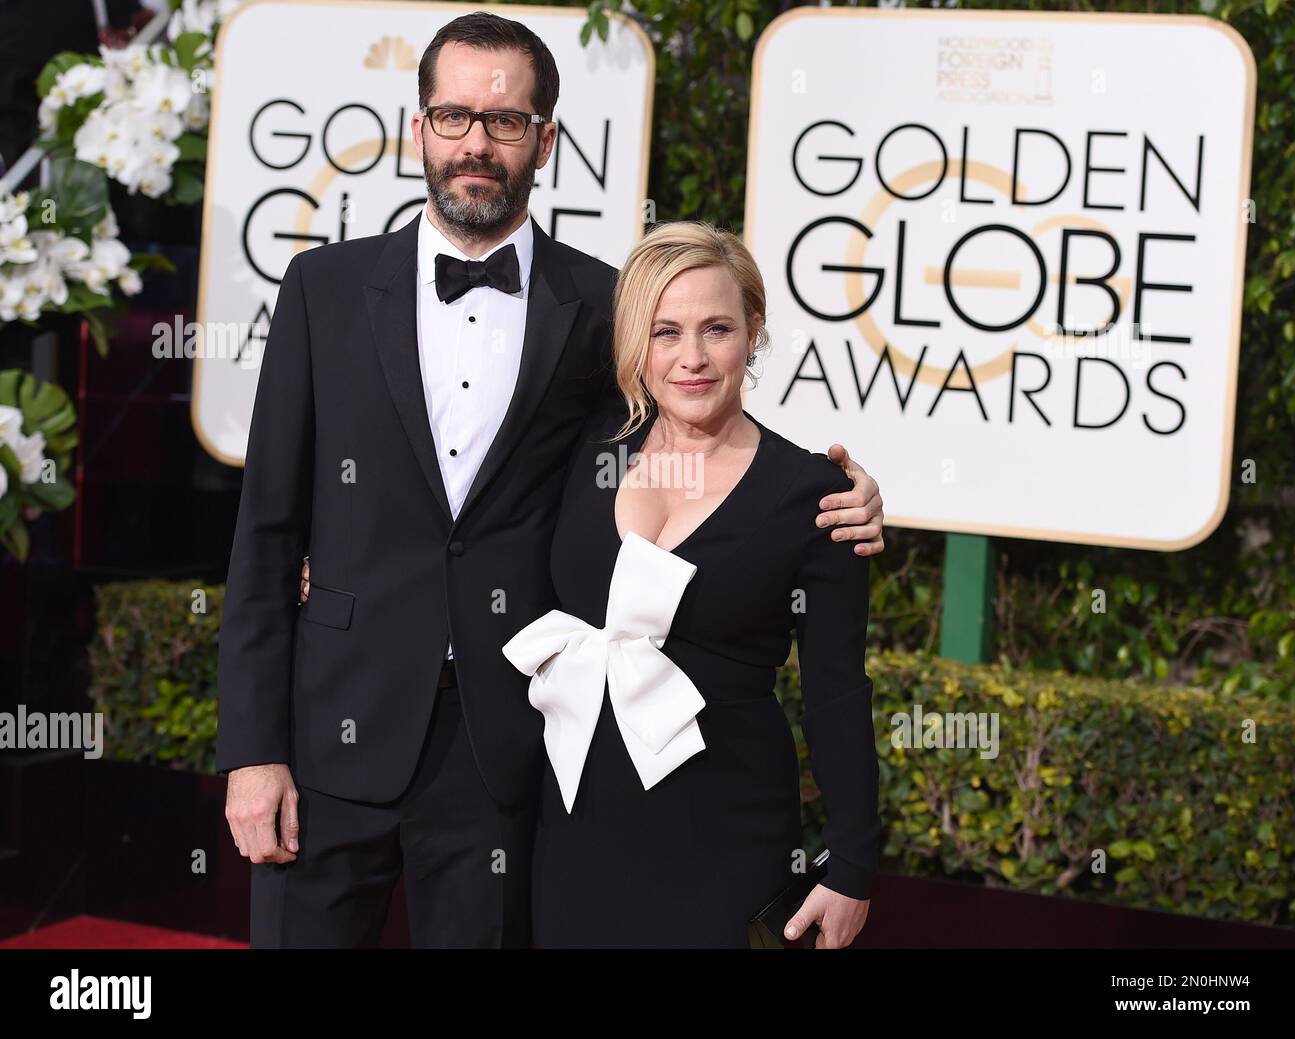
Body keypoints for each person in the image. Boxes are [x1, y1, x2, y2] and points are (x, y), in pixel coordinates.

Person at [219, 10, 885, 949]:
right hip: (334, 732)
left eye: (506, 121)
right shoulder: (321, 290)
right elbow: (267, 535)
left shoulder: (608, 307)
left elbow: (695, 433)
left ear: (545, 139)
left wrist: (849, 495)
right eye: (454, 117)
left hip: (510, 748)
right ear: (419, 129)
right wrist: (253, 751)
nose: (476, 142)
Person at [501, 222, 879, 948]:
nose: (693, 358)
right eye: (666, 332)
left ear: (754, 331)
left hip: (729, 838)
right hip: (575, 833)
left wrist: (852, 865)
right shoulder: (583, 448)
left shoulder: (815, 495)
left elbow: (836, 691)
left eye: (718, 328)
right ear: (637, 342)